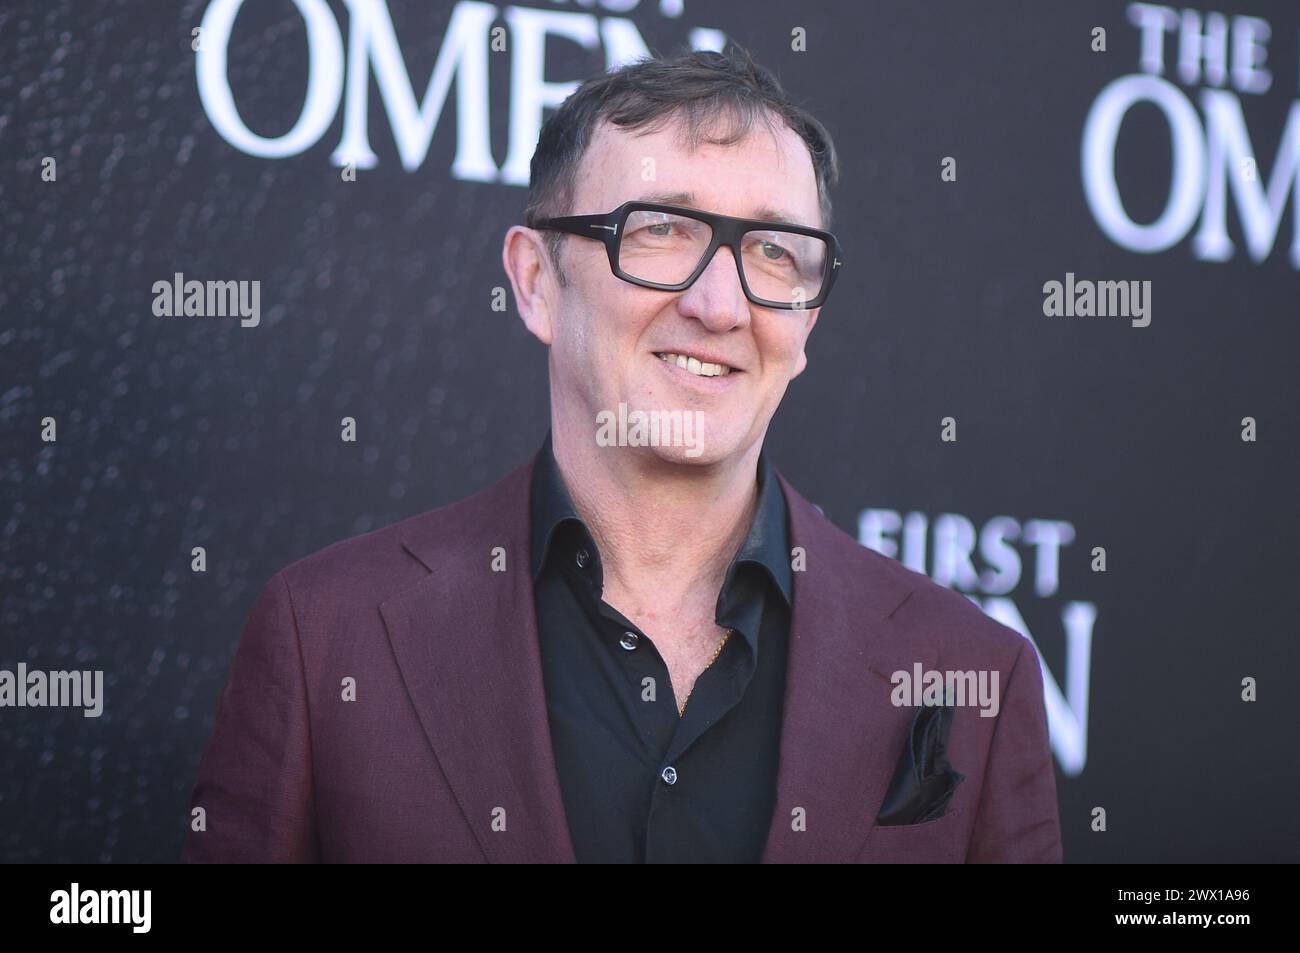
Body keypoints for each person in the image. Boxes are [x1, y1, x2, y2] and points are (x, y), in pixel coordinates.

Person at [183, 43, 1061, 863]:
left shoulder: (973, 672)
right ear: (535, 282)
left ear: (807, 320)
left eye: (772, 251)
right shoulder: (326, 636)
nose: (720, 305)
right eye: (661, 230)